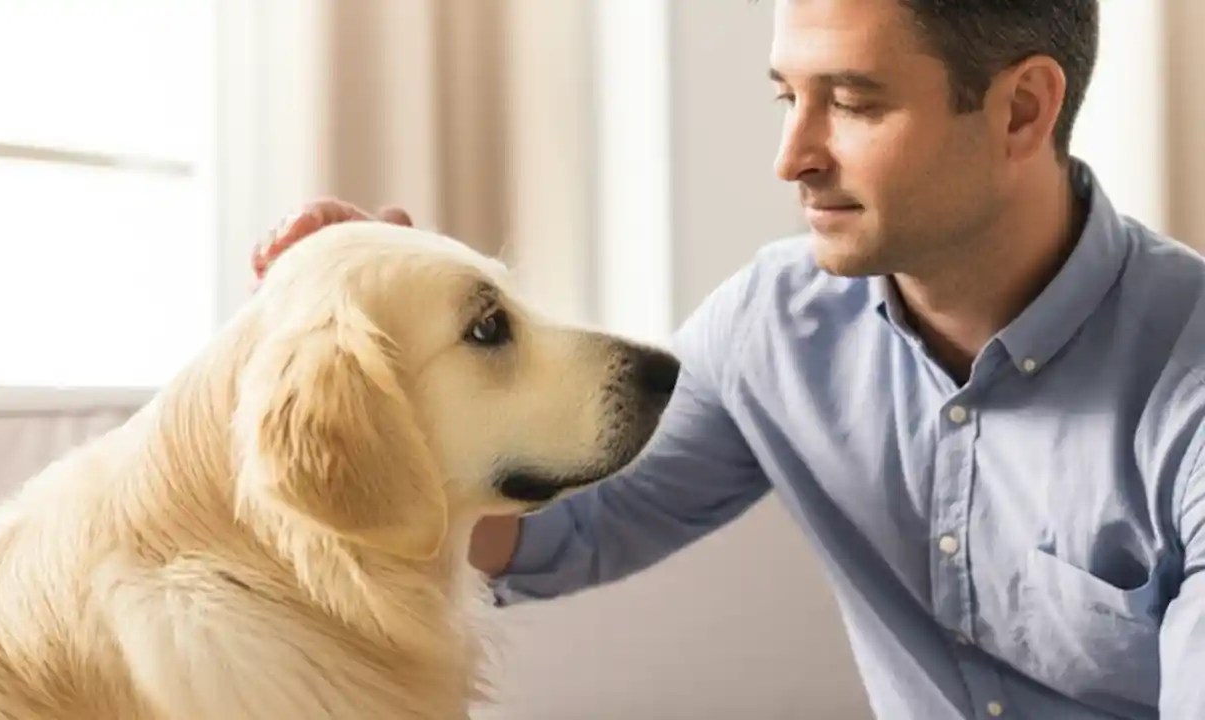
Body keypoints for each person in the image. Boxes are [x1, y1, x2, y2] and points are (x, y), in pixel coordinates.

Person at [253, 1, 1205, 717]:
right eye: (789, 97)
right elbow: (554, 532)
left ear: (1021, 111)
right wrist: (410, 355)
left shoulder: (1188, 383)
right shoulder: (776, 325)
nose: (792, 156)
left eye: (853, 103)